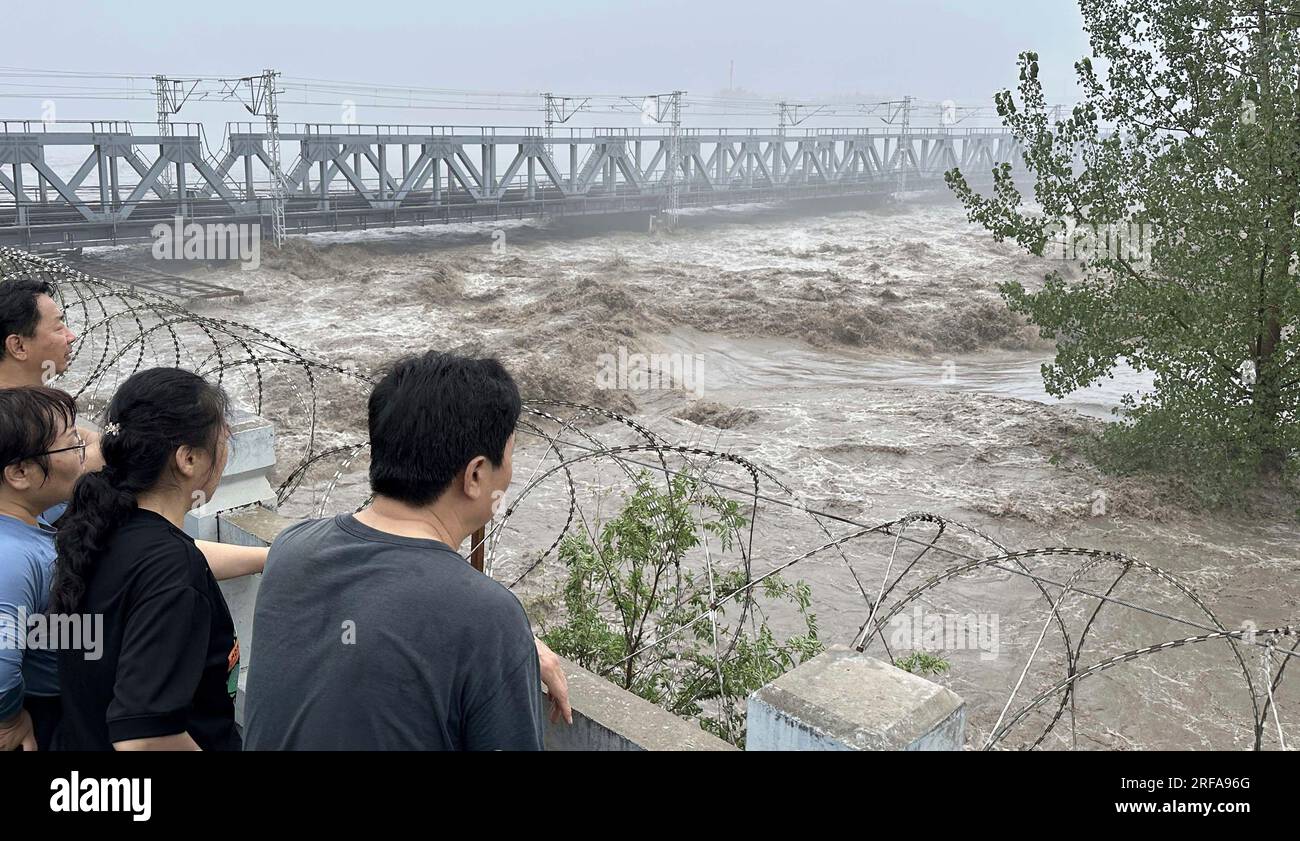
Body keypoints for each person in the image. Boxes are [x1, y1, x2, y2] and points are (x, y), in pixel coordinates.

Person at [244, 351, 569, 750]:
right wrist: (505, 641)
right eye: (511, 456)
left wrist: (506, 642)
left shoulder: (291, 551)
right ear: (477, 475)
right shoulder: (487, 618)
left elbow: (379, 623)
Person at [52, 368, 242, 751]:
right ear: (188, 459)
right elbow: (143, 736)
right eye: (223, 440)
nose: (226, 453)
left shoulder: (95, 530)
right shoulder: (171, 568)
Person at [0, 387, 84, 751]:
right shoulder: (13, 557)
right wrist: (10, 719)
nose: (82, 452)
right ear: (20, 472)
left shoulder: (27, 525)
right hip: (46, 719)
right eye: (71, 444)